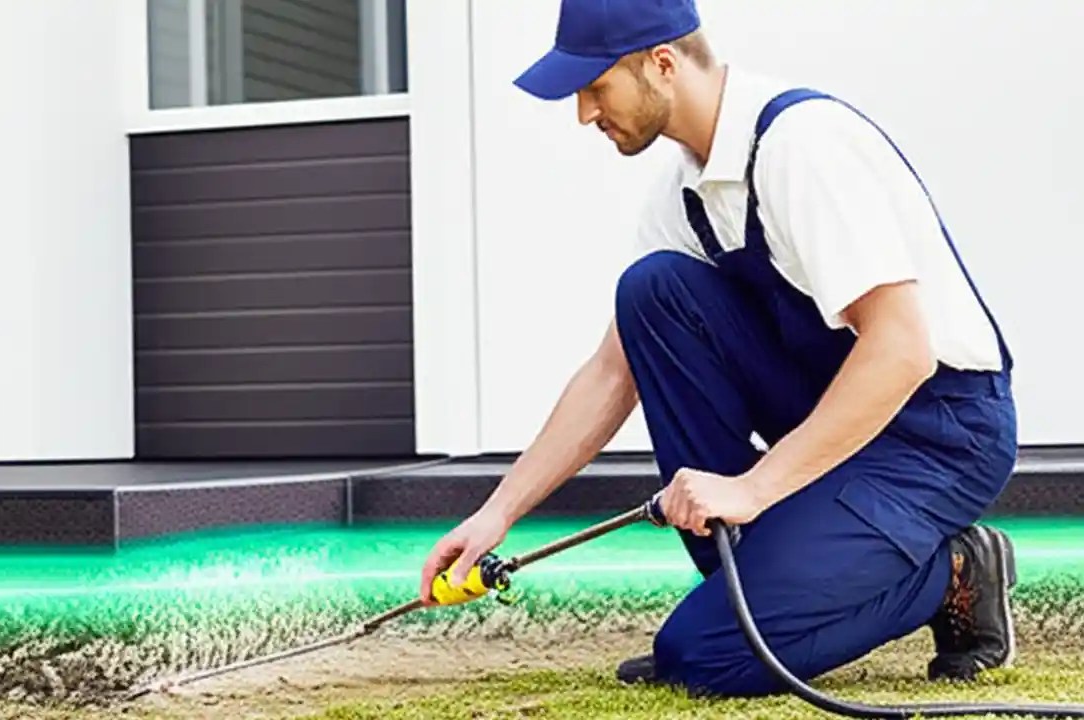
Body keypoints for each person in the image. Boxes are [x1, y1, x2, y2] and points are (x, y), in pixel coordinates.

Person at [417, 0, 1020, 698]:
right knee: (651, 292)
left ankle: (953, 572)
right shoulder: (686, 194)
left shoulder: (802, 147)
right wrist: (497, 514)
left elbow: (902, 348)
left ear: (662, 63)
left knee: (701, 658)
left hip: (938, 433)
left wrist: (754, 487)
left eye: (594, 87)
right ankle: (746, 592)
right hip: (839, 414)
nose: (585, 112)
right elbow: (613, 372)